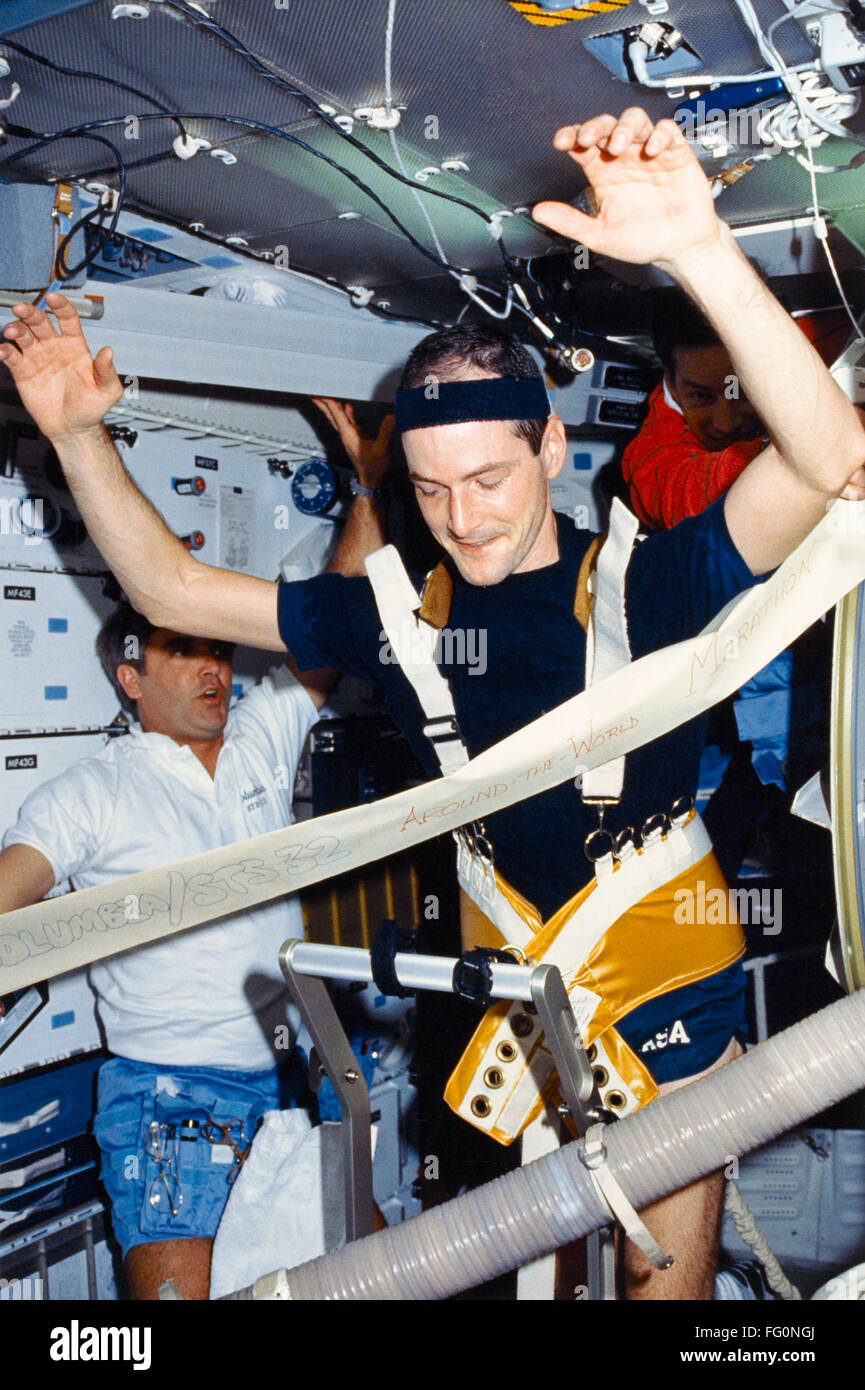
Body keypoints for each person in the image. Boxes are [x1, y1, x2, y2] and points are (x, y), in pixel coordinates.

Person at [1, 107, 863, 1300]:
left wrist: (699, 252)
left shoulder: (648, 581)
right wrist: (80, 439)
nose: (465, 517)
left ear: (553, 449)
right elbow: (170, 585)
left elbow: (829, 461)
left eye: (492, 478)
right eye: (431, 487)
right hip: (503, 990)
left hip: (662, 976)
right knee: (533, 1271)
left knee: (659, 1276)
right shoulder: (390, 612)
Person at [0, 415, 387, 1302]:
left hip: (300, 1079)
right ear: (131, 677)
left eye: (216, 646)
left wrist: (365, 486)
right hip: (174, 1104)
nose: (213, 665)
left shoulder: (258, 741)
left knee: (386, 1280)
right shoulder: (92, 792)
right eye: (184, 648)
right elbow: (12, 887)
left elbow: (332, 614)